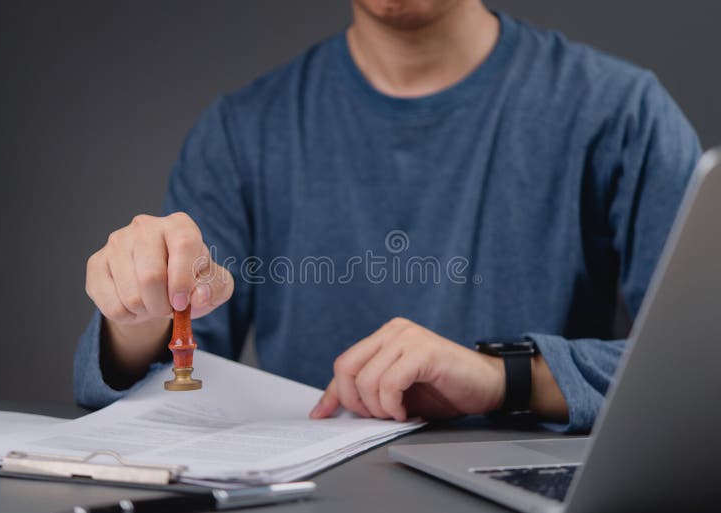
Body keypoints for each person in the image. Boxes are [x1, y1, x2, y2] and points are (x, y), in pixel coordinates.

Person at [75, 0, 700, 432]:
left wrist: (503, 378)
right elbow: (166, 383)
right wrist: (138, 317)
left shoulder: (621, 114)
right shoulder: (242, 133)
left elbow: (701, 369)